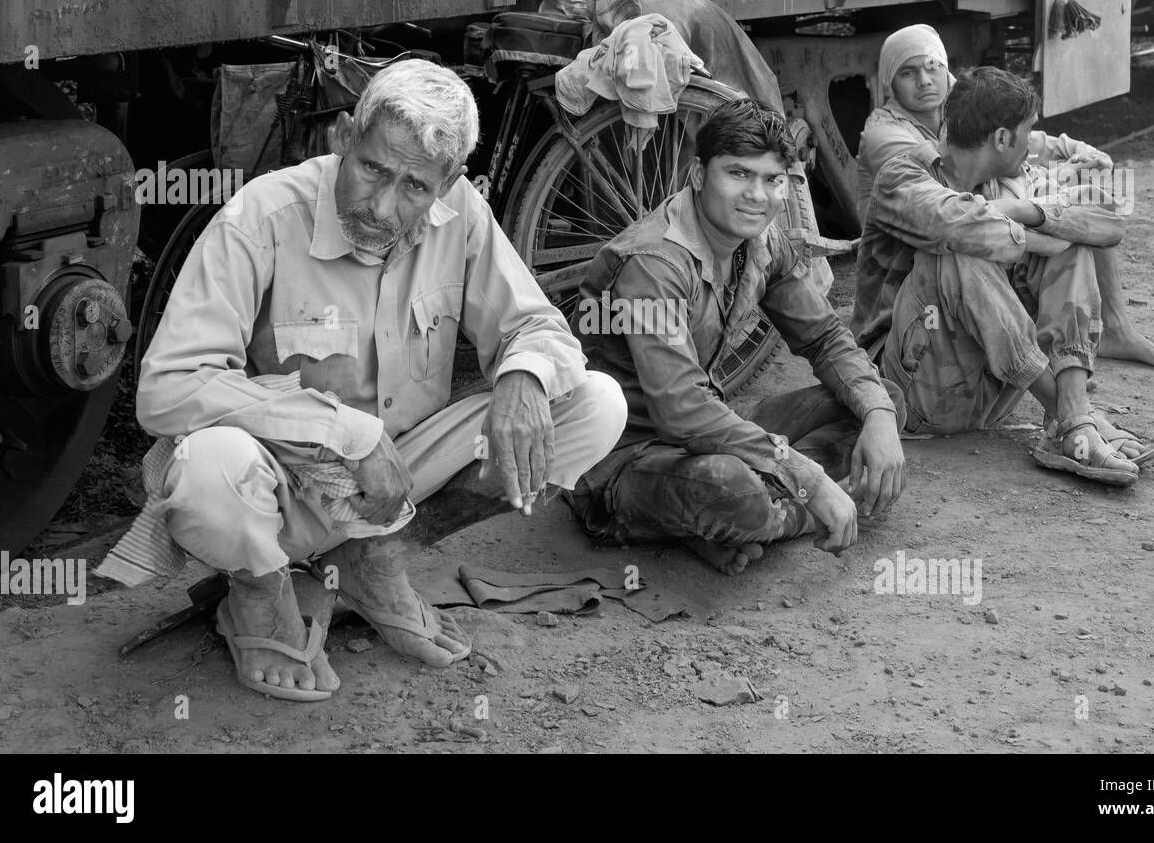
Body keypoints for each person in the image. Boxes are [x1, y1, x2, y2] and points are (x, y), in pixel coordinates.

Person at [112, 59, 627, 701]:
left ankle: (375, 560)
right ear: (345, 138)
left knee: (592, 404)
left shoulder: (459, 213)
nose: (383, 207)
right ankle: (257, 591)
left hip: (398, 482)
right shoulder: (262, 216)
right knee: (206, 469)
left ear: (447, 184)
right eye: (373, 170)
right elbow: (168, 388)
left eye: (414, 187)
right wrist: (343, 430)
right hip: (284, 489)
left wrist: (522, 374)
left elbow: (539, 328)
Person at [567, 98, 906, 576]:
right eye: (739, 174)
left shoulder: (762, 241)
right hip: (624, 462)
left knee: (879, 399)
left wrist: (878, 412)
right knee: (731, 490)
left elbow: (825, 337)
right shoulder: (653, 263)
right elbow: (681, 409)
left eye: (772, 180)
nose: (758, 195)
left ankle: (735, 523)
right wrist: (807, 478)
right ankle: (779, 513)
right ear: (700, 174)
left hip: (710, 433)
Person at [852, 66, 1154, 487]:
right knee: (958, 252)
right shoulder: (903, 175)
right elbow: (952, 227)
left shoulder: (1007, 178)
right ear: (1000, 139)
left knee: (1069, 240)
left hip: (993, 393)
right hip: (908, 392)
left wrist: (1034, 213)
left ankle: (1072, 414)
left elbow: (1110, 223)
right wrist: (1046, 222)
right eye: (1027, 131)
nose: (1032, 144)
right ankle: (1073, 422)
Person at [856, 24, 1154, 371]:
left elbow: (1012, 139)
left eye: (932, 67)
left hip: (978, 220)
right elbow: (960, 179)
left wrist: (1076, 152)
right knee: (1047, 216)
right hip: (914, 274)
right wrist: (1043, 212)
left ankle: (1107, 334)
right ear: (889, 82)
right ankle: (1049, 380)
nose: (924, 80)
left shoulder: (952, 111)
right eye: (908, 72)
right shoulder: (886, 137)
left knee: (1066, 209)